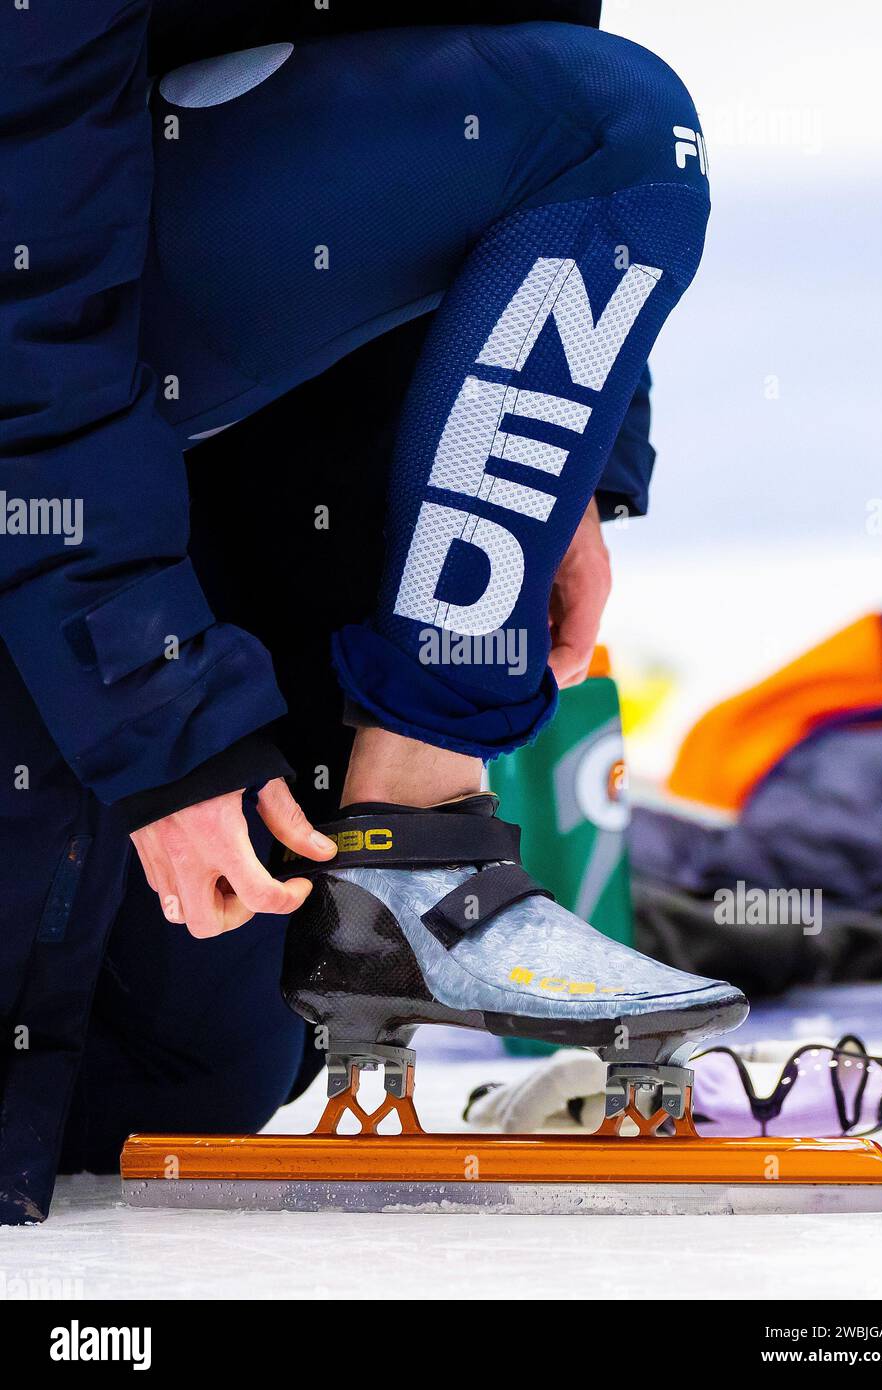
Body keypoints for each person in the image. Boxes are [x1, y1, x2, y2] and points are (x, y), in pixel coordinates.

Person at [0, 2, 741, 1225]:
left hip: (178, 393)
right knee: (619, 120)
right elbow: (22, 325)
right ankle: (421, 821)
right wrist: (164, 723)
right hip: (48, 372)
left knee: (190, 1081)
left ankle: (396, 869)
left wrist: (576, 468)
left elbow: (516, 115)